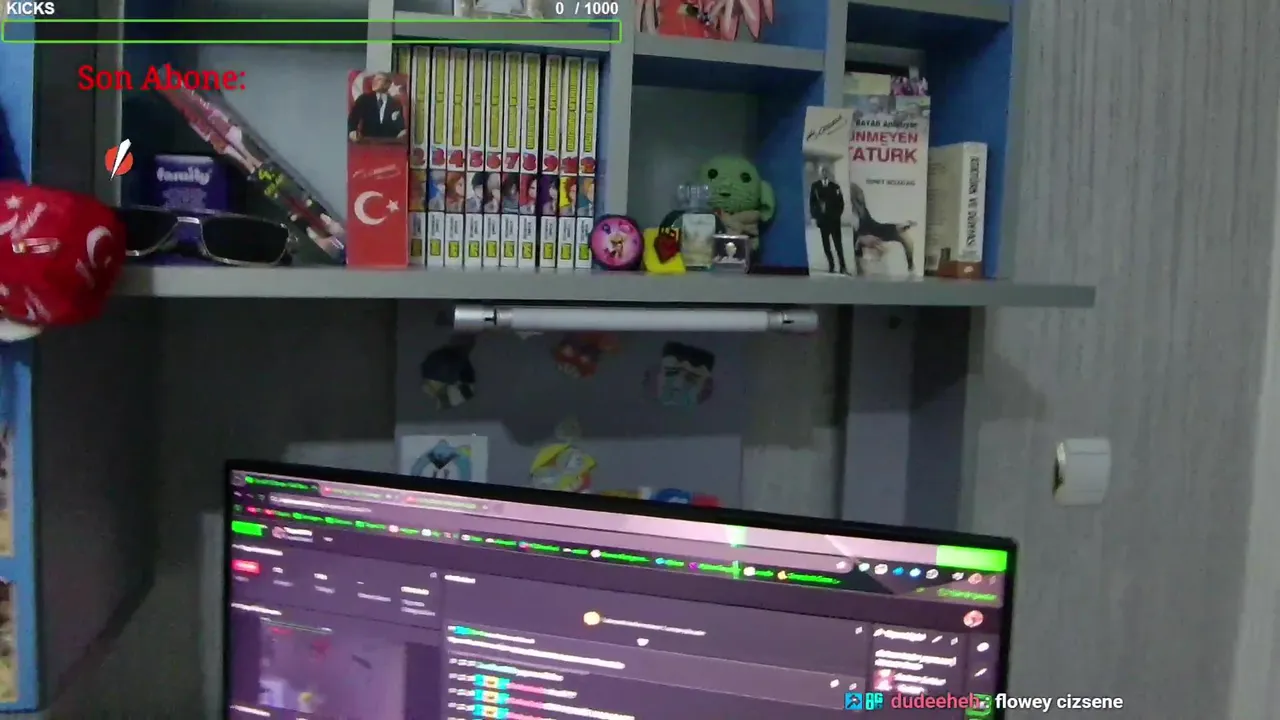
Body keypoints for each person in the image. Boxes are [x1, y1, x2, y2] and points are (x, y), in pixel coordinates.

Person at [808, 164, 847, 274]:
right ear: (820, 173)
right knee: (826, 246)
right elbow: (812, 203)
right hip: (823, 221)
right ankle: (831, 265)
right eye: (823, 171)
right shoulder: (815, 186)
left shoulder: (835, 187)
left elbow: (841, 203)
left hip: (834, 221)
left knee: (838, 245)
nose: (824, 173)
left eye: (826, 171)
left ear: (829, 173)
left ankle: (842, 267)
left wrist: (837, 215)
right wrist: (816, 216)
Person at [347, 72, 406, 142]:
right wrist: (352, 131)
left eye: (379, 79)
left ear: (387, 84)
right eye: (374, 80)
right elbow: (353, 118)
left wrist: (403, 131)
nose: (374, 82)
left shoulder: (394, 102)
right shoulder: (363, 99)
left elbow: (399, 122)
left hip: (390, 142)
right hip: (367, 141)